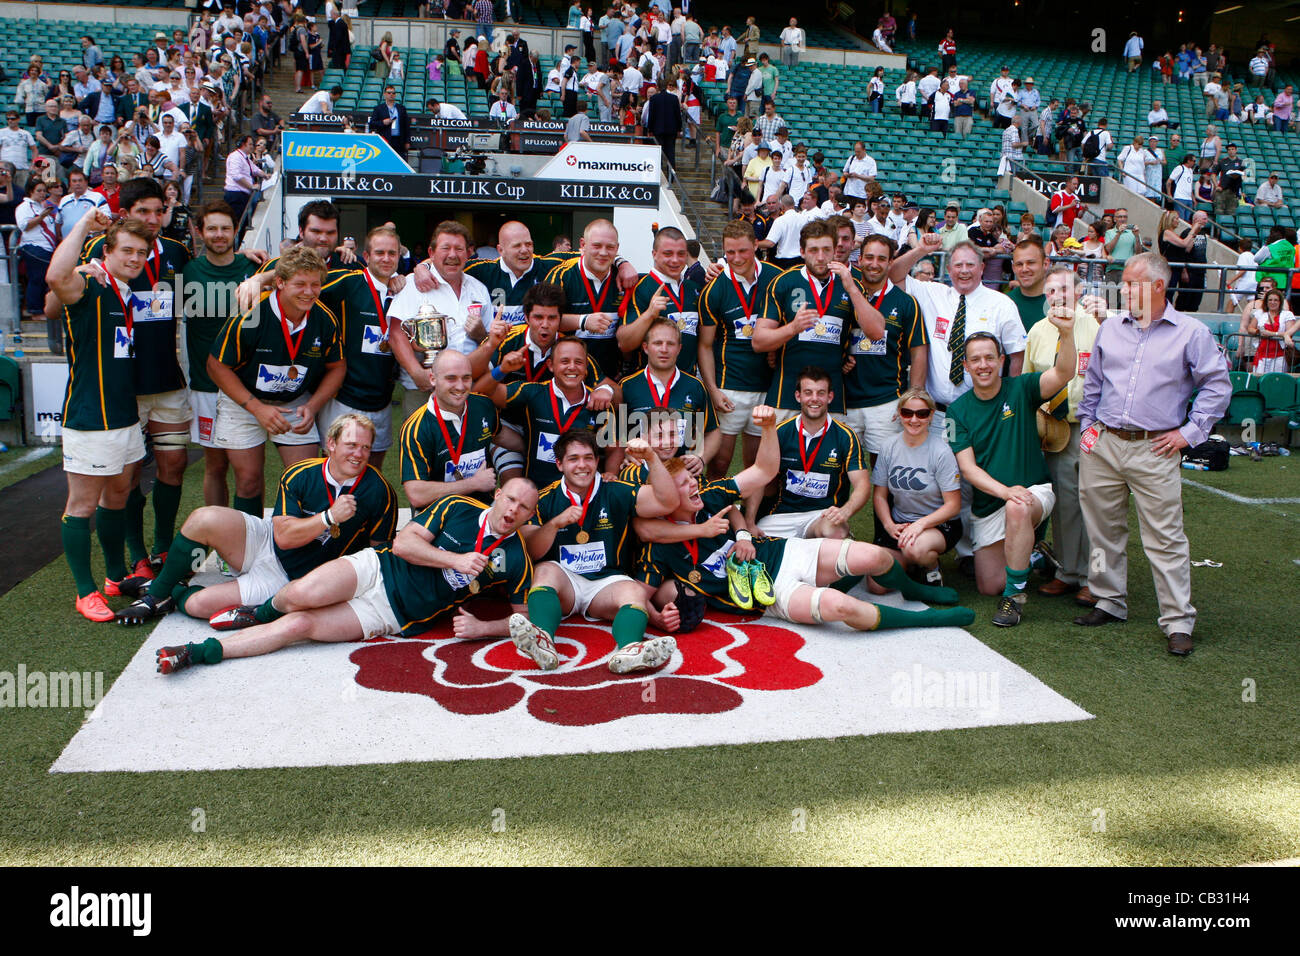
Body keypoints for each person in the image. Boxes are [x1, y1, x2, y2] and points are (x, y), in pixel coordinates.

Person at [633, 407, 973, 630]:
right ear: (665, 496)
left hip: (782, 552)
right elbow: (637, 594)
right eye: (684, 485)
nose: (695, 484)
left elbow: (764, 470)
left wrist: (767, 429)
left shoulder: (709, 496)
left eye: (693, 480)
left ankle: (914, 590)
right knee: (842, 608)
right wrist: (659, 620)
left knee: (873, 555)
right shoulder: (658, 545)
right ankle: (928, 621)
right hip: (768, 595)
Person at [156, 478, 541, 674]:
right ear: (497, 495)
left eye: (523, 508)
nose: (512, 511)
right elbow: (405, 544)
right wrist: (454, 561)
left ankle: (198, 652)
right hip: (377, 566)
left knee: (299, 625)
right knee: (299, 593)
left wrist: (481, 628)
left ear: (528, 517)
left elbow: (526, 619)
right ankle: (256, 613)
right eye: (510, 499)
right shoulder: (457, 505)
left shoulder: (516, 558)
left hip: (391, 614)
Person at [1076, 253, 1230, 656]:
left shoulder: (1191, 332)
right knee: (1102, 531)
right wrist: (1088, 427)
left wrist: (1190, 434)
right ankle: (1108, 600)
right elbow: (1093, 382)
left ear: (1158, 286)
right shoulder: (1110, 328)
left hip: (1156, 446)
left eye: (1131, 283)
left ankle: (1178, 621)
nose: (1123, 290)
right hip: (1104, 443)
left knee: (1165, 538)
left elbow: (1217, 385)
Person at [118, 413, 398, 627]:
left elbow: (377, 554)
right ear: (331, 444)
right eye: (351, 445)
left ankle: (170, 591)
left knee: (199, 605)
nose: (359, 454)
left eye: (365, 447)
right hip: (267, 542)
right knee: (204, 518)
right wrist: (329, 517)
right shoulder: (301, 473)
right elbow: (283, 537)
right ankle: (156, 595)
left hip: (292, 577)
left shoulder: (380, 491)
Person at [47, 214, 152, 620]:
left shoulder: (124, 291)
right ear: (106, 251)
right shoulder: (88, 284)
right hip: (90, 418)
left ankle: (113, 576)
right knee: (82, 506)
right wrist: (84, 226)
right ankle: (84, 591)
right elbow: (57, 277)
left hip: (124, 417)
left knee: (118, 498)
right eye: (125, 250)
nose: (134, 258)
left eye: (141, 253)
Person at [947, 301, 1078, 625]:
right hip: (992, 501)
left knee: (1019, 508)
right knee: (988, 585)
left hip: (1034, 491)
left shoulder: (1021, 388)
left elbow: (1064, 372)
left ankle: (1014, 599)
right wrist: (1005, 492)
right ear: (965, 365)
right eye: (975, 359)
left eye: (990, 357)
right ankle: (1033, 553)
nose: (983, 365)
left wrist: (1067, 333)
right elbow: (968, 469)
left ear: (1002, 360)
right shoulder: (956, 411)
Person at [507, 429, 680, 672]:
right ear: (559, 464)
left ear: (597, 461)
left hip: (606, 584)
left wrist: (651, 457)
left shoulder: (616, 490)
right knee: (544, 570)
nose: (582, 465)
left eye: (588, 458)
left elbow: (668, 502)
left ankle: (629, 650)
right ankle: (543, 640)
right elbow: (532, 552)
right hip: (565, 583)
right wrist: (555, 524)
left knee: (634, 590)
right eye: (573, 459)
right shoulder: (545, 499)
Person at [209, 246, 346, 513]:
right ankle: (245, 547)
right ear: (280, 282)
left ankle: (296, 544)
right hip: (244, 401)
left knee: (304, 478)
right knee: (248, 481)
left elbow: (337, 367)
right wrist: (257, 408)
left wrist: (314, 405)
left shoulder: (324, 319)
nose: (309, 291)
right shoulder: (250, 312)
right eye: (300, 284)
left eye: (315, 284)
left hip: (294, 400)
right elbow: (216, 366)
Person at [753, 218, 883, 416]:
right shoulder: (784, 282)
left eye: (826, 250)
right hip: (786, 394)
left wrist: (851, 288)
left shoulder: (850, 283)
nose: (821, 257)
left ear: (834, 250)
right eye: (813, 250)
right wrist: (793, 328)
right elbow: (759, 342)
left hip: (832, 397)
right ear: (802, 251)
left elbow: (876, 332)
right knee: (778, 447)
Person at [181, 201, 259, 509]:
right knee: (215, 466)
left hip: (248, 386)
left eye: (225, 228)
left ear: (235, 231)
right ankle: (220, 536)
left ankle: (247, 541)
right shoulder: (188, 273)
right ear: (199, 233)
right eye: (211, 228)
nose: (219, 234)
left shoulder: (253, 269)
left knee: (249, 473)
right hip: (206, 386)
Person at [314, 226, 405, 468]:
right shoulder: (348, 282)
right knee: (335, 469)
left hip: (382, 400)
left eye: (392, 253)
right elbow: (302, 278)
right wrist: (261, 278)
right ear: (367, 256)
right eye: (380, 253)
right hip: (345, 397)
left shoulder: (404, 291)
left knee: (371, 471)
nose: (386, 259)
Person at [748, 364, 867, 541]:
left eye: (821, 393)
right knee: (752, 542)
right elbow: (758, 477)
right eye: (808, 392)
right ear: (798, 396)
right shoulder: (780, 432)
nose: (814, 399)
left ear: (830, 397)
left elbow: (862, 485)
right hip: (783, 516)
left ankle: (840, 540)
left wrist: (845, 511)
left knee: (835, 532)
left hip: (822, 516)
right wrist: (749, 522)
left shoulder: (845, 436)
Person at [389, 220, 493, 417]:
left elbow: (489, 341)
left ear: (468, 253)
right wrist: (416, 373)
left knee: (466, 446)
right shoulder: (412, 284)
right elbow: (396, 333)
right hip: (422, 390)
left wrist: (483, 335)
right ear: (431, 253)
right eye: (446, 248)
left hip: (468, 388)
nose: (452, 255)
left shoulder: (479, 289)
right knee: (420, 445)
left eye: (459, 249)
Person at [841, 234, 929, 455]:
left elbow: (919, 353)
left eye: (881, 259)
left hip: (887, 400)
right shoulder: (842, 295)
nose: (874, 264)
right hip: (843, 399)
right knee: (839, 470)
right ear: (859, 259)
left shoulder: (905, 302)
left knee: (885, 473)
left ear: (891, 262)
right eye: (869, 257)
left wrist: (914, 398)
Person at [871, 389, 962, 584]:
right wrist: (889, 525)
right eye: (907, 413)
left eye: (921, 414)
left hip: (938, 525)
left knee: (914, 548)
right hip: (900, 523)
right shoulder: (888, 446)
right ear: (899, 413)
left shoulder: (941, 451)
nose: (914, 419)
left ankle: (932, 568)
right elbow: (879, 495)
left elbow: (953, 505)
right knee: (877, 584)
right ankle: (909, 561)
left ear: (931, 415)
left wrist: (920, 525)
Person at [619, 226, 704, 374]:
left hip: (688, 382)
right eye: (668, 254)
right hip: (650, 384)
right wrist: (650, 314)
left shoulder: (693, 288)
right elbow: (624, 343)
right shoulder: (641, 287)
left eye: (681, 254)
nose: (675, 260)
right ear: (654, 254)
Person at [1248, 289, 1294, 374]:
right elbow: (1250, 328)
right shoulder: (1260, 313)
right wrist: (1258, 332)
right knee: (1260, 379)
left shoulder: (1287, 315)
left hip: (1280, 355)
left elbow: (1290, 332)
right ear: (1266, 301)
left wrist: (1271, 334)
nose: (1273, 302)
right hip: (1262, 353)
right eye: (1270, 300)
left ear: (1280, 302)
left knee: (1276, 379)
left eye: (1276, 300)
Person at [369, 84, 409, 155]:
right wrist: (383, 122)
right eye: (389, 93)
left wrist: (407, 141)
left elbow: (406, 126)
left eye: (393, 93)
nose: (391, 95)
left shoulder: (401, 108)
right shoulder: (379, 108)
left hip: (399, 140)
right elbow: (372, 123)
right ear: (385, 94)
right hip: (385, 139)